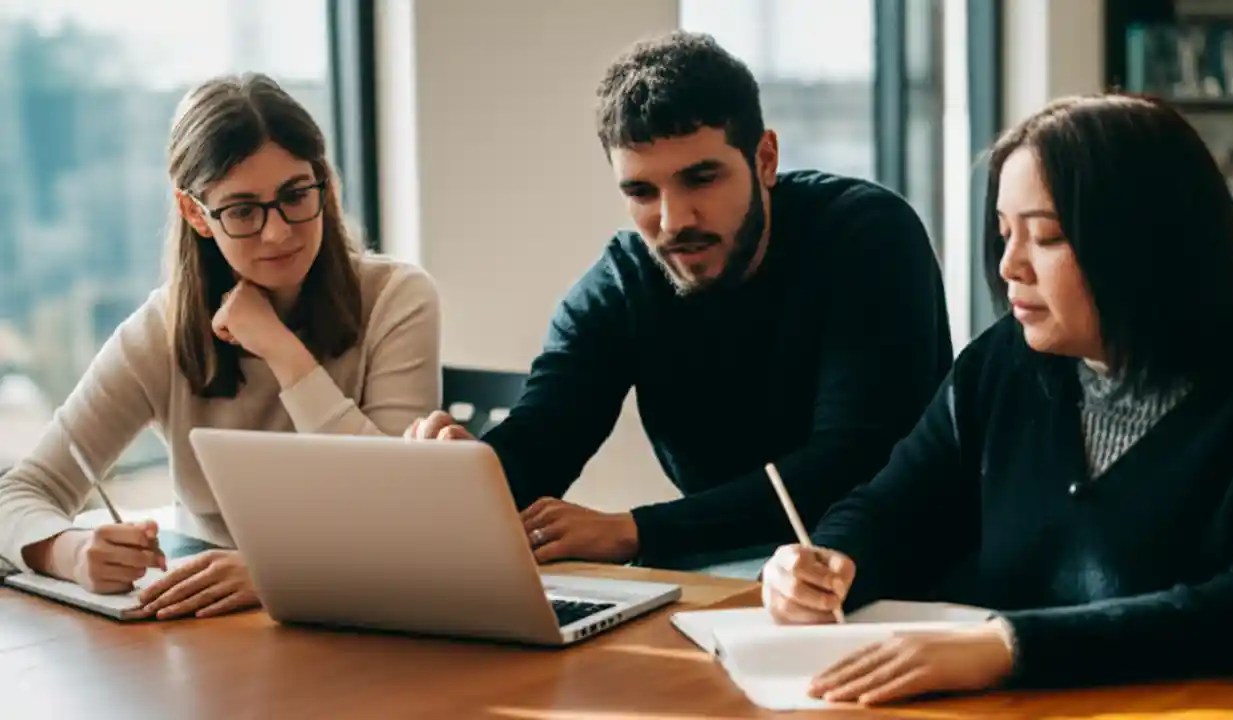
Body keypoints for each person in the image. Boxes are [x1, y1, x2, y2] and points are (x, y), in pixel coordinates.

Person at [761, 94, 1233, 705]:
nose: (1009, 265)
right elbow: (889, 506)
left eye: (1048, 237)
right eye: (1005, 233)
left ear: (1147, 241)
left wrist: (1008, 646)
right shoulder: (1000, 364)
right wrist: (825, 564)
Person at [406, 32, 951, 568]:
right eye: (641, 192)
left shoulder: (867, 233)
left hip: (892, 571)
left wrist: (636, 531)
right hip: (719, 577)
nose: (673, 222)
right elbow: (545, 437)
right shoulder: (624, 283)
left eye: (701, 178)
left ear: (765, 159)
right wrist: (468, 472)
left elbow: (852, 465)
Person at [0, 74, 441, 620]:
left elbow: (399, 506)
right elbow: (18, 494)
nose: (277, 233)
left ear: (323, 185)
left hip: (361, 621)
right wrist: (71, 551)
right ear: (195, 215)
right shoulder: (161, 330)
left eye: (295, 195)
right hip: (210, 634)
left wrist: (281, 350)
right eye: (242, 210)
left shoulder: (397, 298)